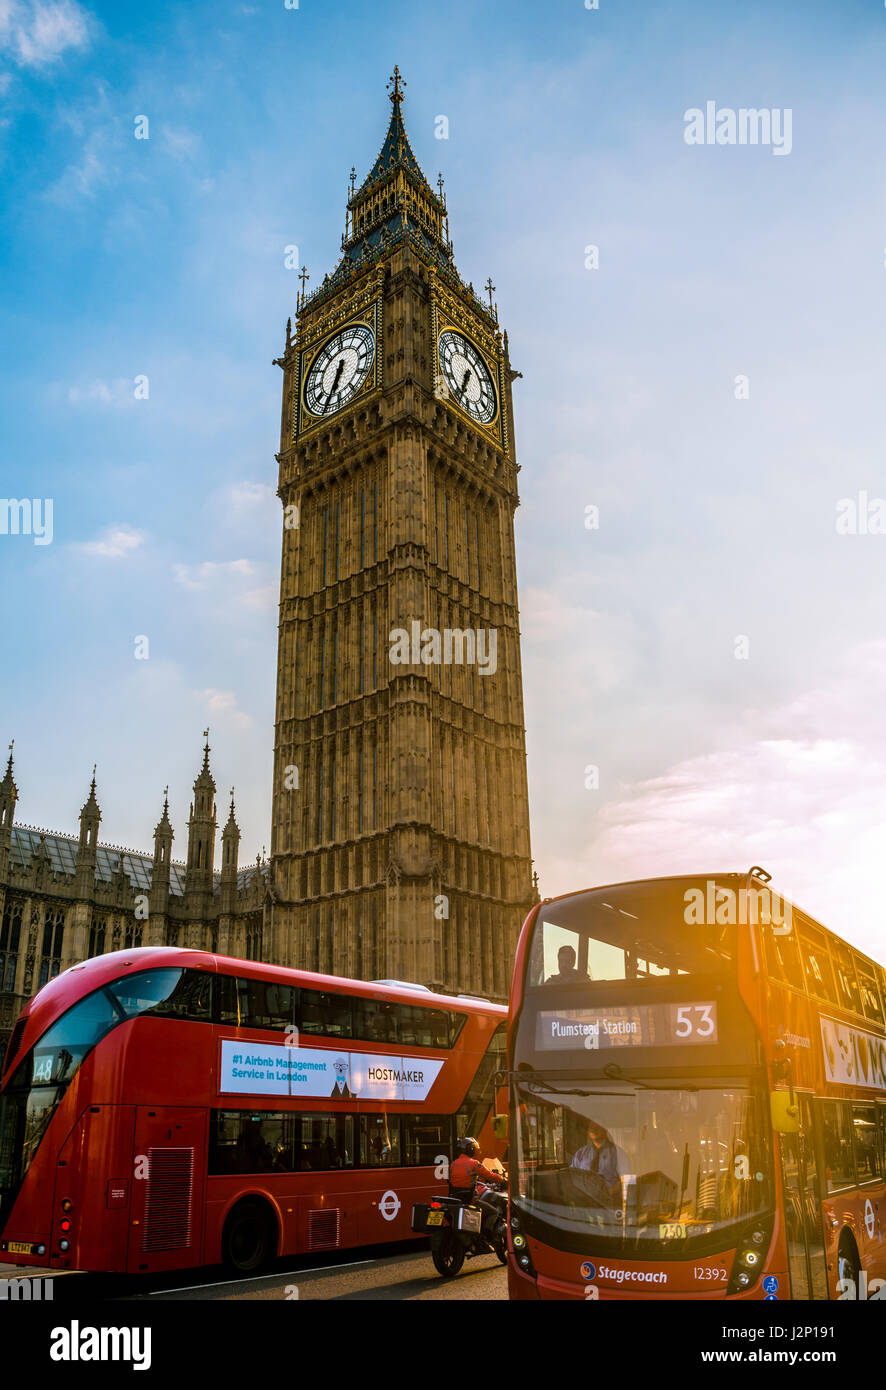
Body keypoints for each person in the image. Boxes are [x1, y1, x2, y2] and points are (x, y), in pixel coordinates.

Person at [449, 1136, 506, 1235]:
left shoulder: (453, 1164)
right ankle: (486, 1234)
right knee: (494, 1212)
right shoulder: (474, 1163)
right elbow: (490, 1175)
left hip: (455, 1201)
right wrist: (503, 1180)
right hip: (470, 1200)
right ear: (471, 1149)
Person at [570, 1119, 621, 1205]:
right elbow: (572, 1176)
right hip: (585, 1203)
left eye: (597, 1126)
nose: (594, 1129)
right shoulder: (581, 1153)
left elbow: (628, 1179)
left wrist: (609, 1191)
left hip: (609, 1202)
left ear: (605, 1128)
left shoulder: (617, 1153)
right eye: (591, 1127)